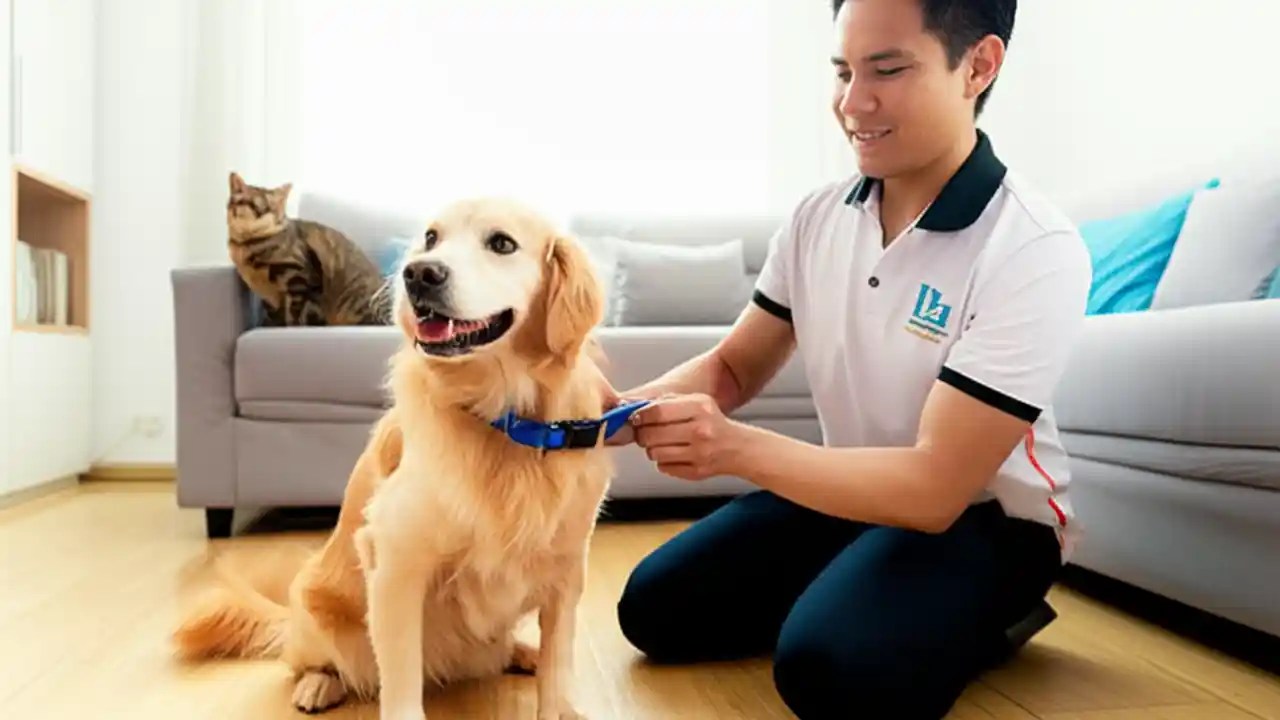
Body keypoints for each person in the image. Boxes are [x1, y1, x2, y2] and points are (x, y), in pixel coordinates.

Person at [600, 0, 1093, 718]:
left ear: (978, 66)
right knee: (655, 611)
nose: (852, 104)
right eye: (842, 72)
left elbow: (932, 489)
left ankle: (984, 615)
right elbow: (734, 368)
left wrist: (735, 448)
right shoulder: (817, 217)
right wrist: (618, 414)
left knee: (831, 672)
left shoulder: (1031, 246)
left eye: (887, 70)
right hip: (849, 492)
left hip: (985, 520)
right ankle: (866, 593)